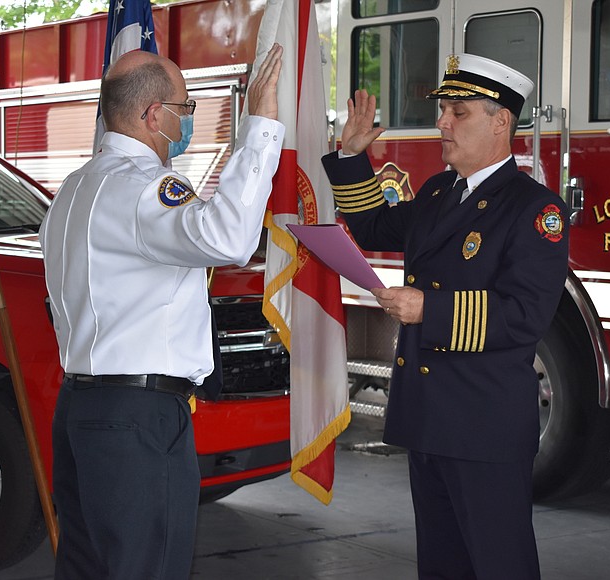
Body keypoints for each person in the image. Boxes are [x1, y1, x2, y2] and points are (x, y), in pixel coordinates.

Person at [39, 45, 284, 580]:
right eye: (186, 108)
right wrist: (260, 128)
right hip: (138, 418)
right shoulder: (145, 187)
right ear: (156, 116)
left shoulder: (73, 189)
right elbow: (228, 238)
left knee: (87, 566)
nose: (189, 120)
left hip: (79, 406)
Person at [321, 53, 569, 579]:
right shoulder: (439, 192)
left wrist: (428, 309)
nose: (442, 123)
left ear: (501, 121)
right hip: (431, 419)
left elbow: (524, 315)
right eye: (443, 111)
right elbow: (373, 229)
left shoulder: (535, 209)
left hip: (483, 427)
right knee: (442, 566)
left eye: (458, 111)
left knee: (499, 564)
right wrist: (351, 156)